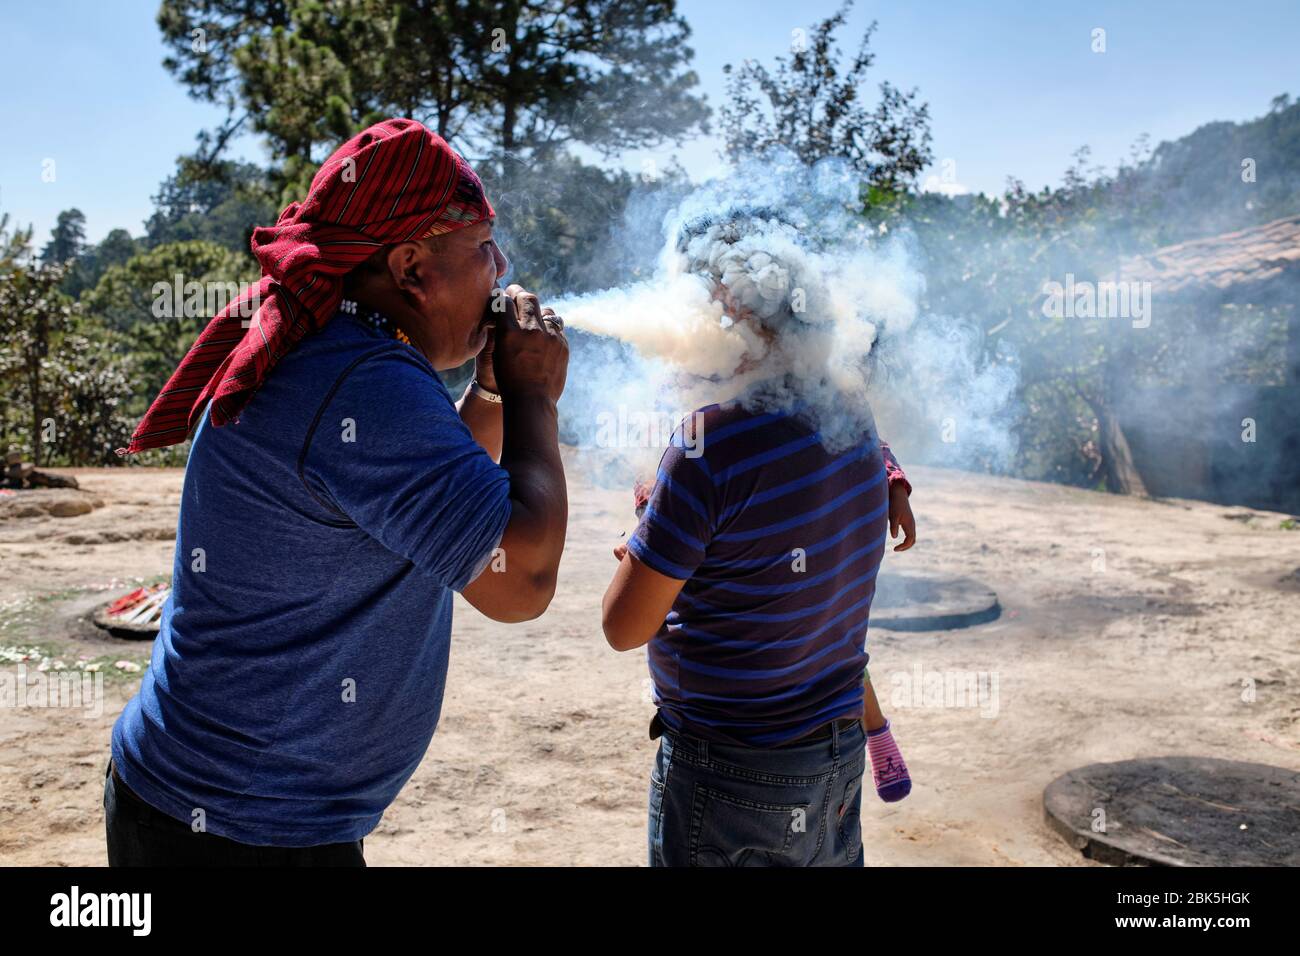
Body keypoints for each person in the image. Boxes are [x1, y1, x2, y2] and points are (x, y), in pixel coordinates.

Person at [105, 119, 569, 866]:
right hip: (248, 831)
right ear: (413, 267)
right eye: (483, 246)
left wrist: (490, 395)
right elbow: (522, 580)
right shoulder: (365, 382)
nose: (502, 265)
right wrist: (535, 395)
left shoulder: (331, 344)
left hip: (205, 806)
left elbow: (436, 503)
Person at [602, 209, 916, 867]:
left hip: (729, 773)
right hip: (833, 758)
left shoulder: (705, 447)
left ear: (725, 326)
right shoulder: (852, 422)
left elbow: (625, 627)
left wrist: (641, 545)